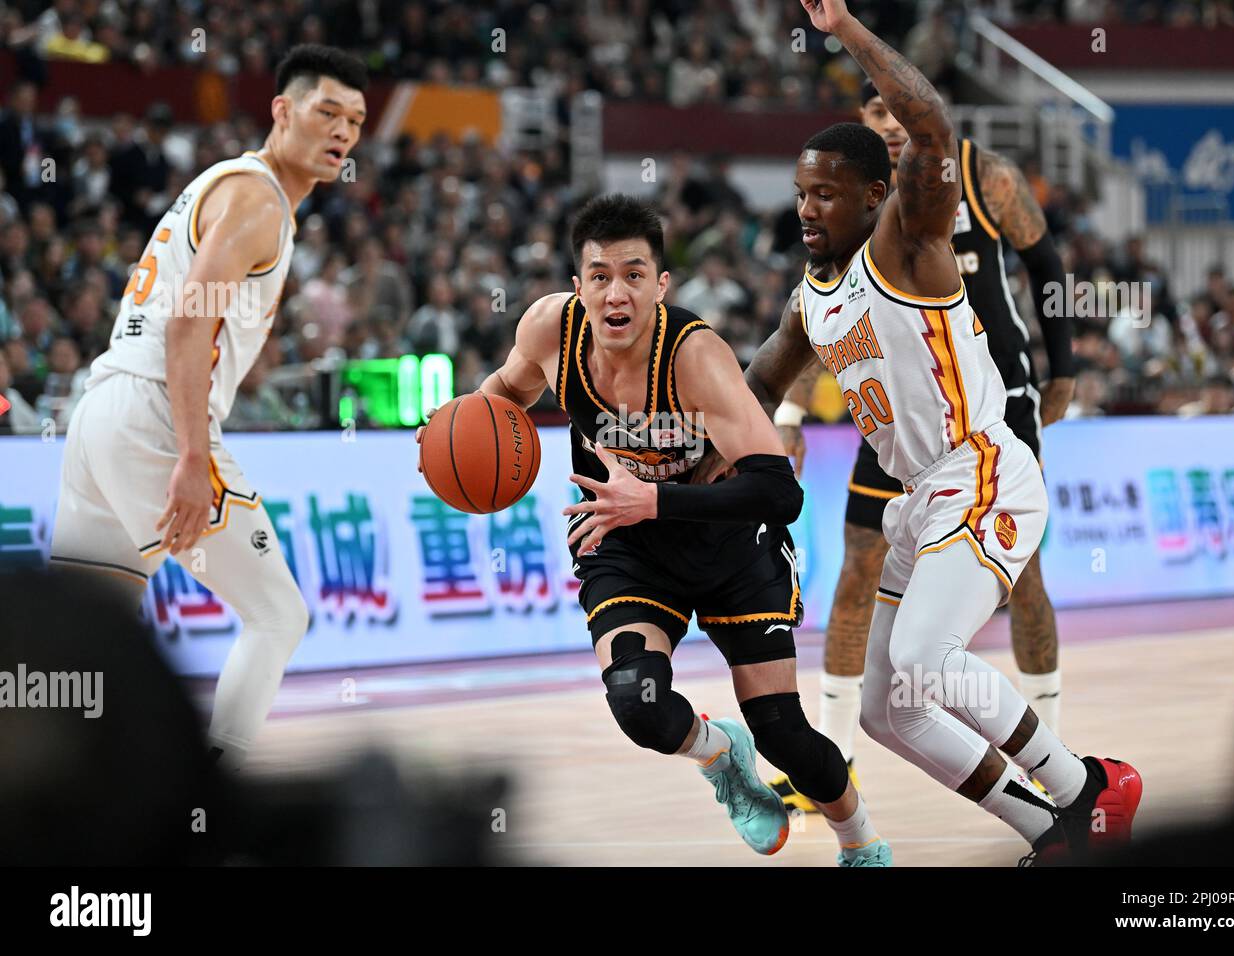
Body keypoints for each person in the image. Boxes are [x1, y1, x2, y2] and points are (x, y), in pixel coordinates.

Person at [733, 0, 1140, 864]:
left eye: (825, 194)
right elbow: (754, 385)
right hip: (920, 499)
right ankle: (1047, 833)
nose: (806, 210)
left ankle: (1087, 791)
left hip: (984, 466)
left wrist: (843, 29)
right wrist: (672, 460)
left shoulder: (906, 239)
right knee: (889, 709)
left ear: (875, 195)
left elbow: (929, 122)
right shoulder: (812, 297)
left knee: (925, 656)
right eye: (800, 194)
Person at [418, 194, 891, 866]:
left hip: (731, 546)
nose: (618, 292)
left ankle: (861, 842)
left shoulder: (695, 357)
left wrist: (657, 499)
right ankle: (721, 755)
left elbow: (779, 491)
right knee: (637, 704)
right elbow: (501, 398)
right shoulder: (549, 333)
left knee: (785, 733)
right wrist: (449, 432)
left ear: (661, 286)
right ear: (577, 286)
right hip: (627, 545)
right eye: (601, 275)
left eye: (635, 275)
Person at [48, 45, 369, 770]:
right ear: (281, 110)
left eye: (354, 119)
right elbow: (190, 323)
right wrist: (194, 455)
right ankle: (207, 805)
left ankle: (43, 797)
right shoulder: (257, 200)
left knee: (82, 641)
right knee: (278, 615)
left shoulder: (233, 191)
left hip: (101, 407)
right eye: (327, 112)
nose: (343, 132)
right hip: (155, 415)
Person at [766, 75, 1076, 811]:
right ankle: (836, 754)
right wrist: (778, 418)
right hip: (902, 442)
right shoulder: (835, 256)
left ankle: (1059, 760)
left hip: (984, 412)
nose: (889, 120)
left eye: (894, 107)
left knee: (1012, 592)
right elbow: (785, 359)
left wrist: (1062, 368)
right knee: (858, 581)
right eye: (873, 111)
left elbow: (1048, 265)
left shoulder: (973, 179)